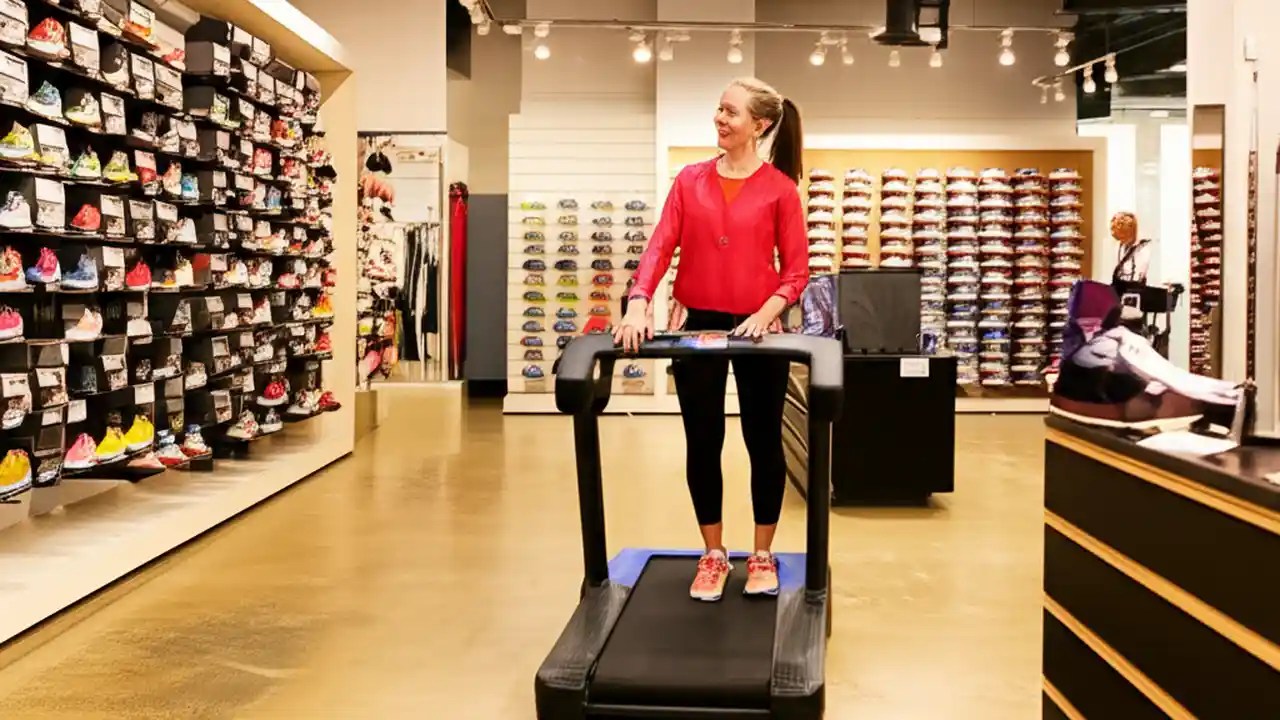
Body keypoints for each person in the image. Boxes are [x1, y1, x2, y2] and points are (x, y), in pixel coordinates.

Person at [614, 78, 808, 602]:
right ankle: (714, 554)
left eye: (731, 113)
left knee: (762, 439)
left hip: (758, 329)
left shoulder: (780, 190)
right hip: (696, 322)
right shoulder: (690, 180)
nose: (720, 119)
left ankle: (762, 553)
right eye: (718, 109)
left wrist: (768, 312)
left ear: (760, 125)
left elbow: (796, 271)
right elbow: (659, 246)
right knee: (704, 440)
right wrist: (637, 301)